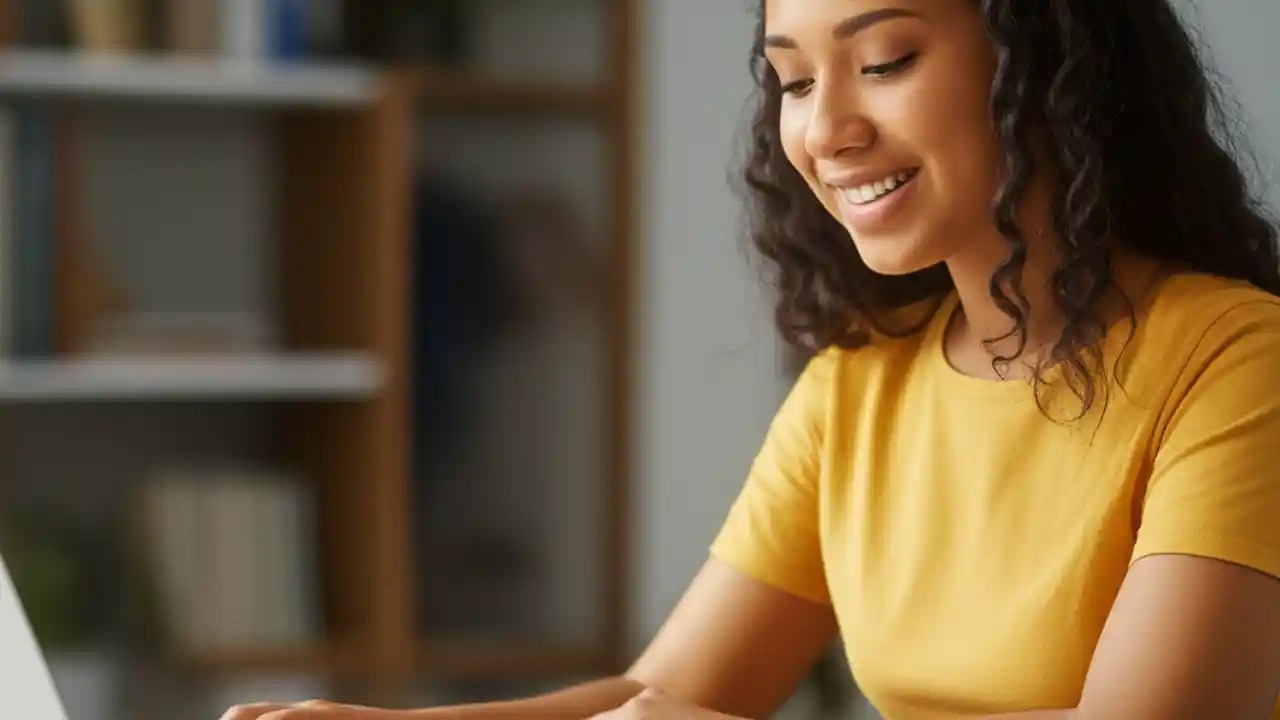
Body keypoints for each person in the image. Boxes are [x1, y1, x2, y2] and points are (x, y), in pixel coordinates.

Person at [221, 0, 1280, 718]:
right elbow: (669, 690)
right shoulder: (859, 384)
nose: (826, 130)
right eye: (791, 81)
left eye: (883, 63)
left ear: (1051, 63)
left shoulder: (1236, 361)